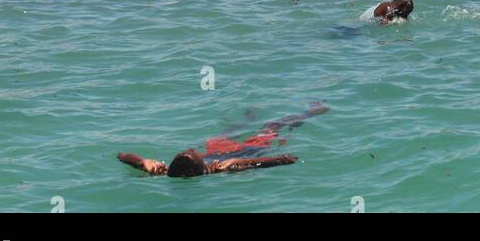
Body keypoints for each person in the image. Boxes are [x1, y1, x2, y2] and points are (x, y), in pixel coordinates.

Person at [117, 104, 327, 177]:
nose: (191, 149)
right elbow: (257, 162)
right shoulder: (222, 167)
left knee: (227, 134)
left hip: (214, 151)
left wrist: (133, 159)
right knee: (271, 127)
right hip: (241, 152)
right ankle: (309, 113)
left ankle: (247, 120)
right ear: (198, 169)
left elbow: (131, 158)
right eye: (193, 153)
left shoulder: (161, 172)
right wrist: (285, 159)